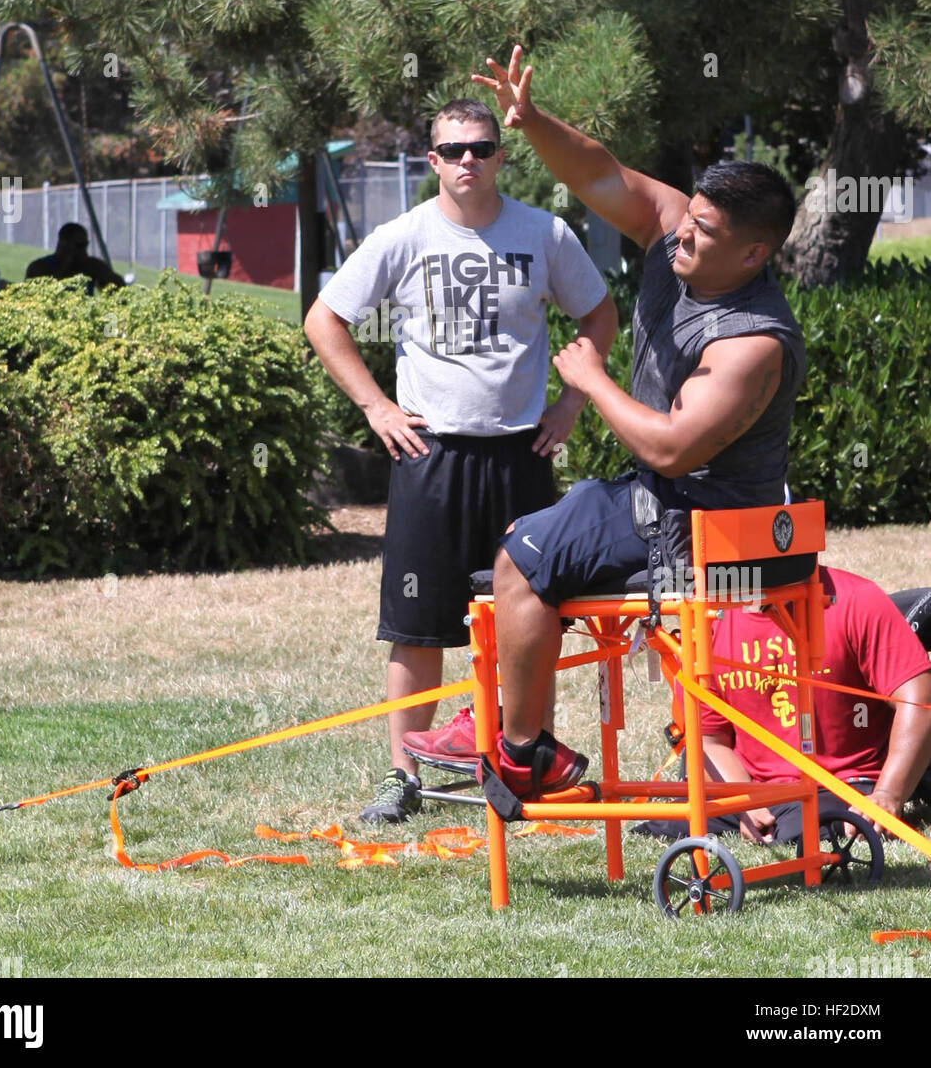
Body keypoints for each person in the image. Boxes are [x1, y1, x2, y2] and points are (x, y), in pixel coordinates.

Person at [469, 46, 805, 800]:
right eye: (687, 217)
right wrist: (531, 123)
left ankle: (523, 754)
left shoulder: (750, 342)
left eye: (704, 231)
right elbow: (597, 174)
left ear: (752, 253)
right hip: (658, 499)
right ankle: (519, 728)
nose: (682, 234)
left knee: (520, 560)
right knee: (541, 543)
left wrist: (587, 379)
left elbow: (672, 448)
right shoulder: (674, 230)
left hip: (704, 521)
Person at [303, 98, 618, 823]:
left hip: (520, 454)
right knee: (416, 624)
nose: (466, 161)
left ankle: (521, 757)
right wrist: (376, 407)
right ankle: (402, 775)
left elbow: (597, 314)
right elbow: (325, 319)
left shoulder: (544, 234)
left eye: (480, 147)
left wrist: (570, 405)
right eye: (452, 150)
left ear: (501, 155)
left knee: (530, 618)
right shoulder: (402, 236)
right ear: (431, 161)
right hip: (429, 454)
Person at [634, 565, 931, 843]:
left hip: (844, 785)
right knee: (663, 825)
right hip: (756, 788)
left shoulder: (856, 599)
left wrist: (888, 794)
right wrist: (744, 800)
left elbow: (920, 701)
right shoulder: (710, 617)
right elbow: (708, 739)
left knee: (801, 825)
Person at [25, 222, 123, 291]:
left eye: (85, 245)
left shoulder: (90, 267)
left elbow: (120, 289)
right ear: (62, 244)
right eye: (79, 246)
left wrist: (102, 275)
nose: (83, 251)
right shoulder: (39, 268)